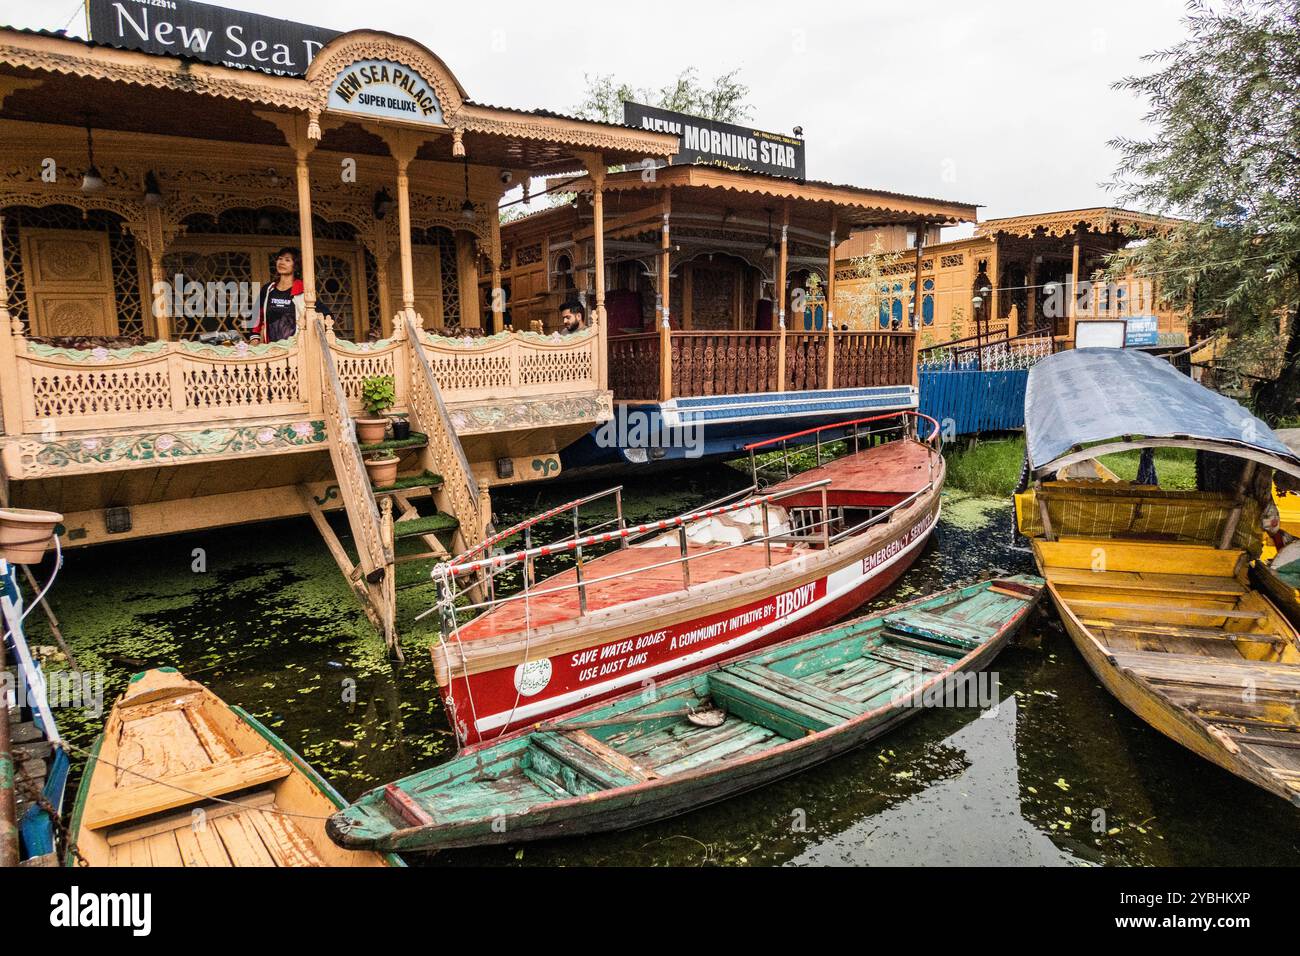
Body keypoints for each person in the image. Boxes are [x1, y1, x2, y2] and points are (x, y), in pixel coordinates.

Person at [251, 247, 304, 343]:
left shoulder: (302, 289)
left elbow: (321, 314)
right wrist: (254, 337)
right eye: (280, 259)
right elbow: (257, 315)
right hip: (272, 348)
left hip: (296, 348)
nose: (282, 262)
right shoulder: (268, 289)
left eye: (287, 260)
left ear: (296, 266)